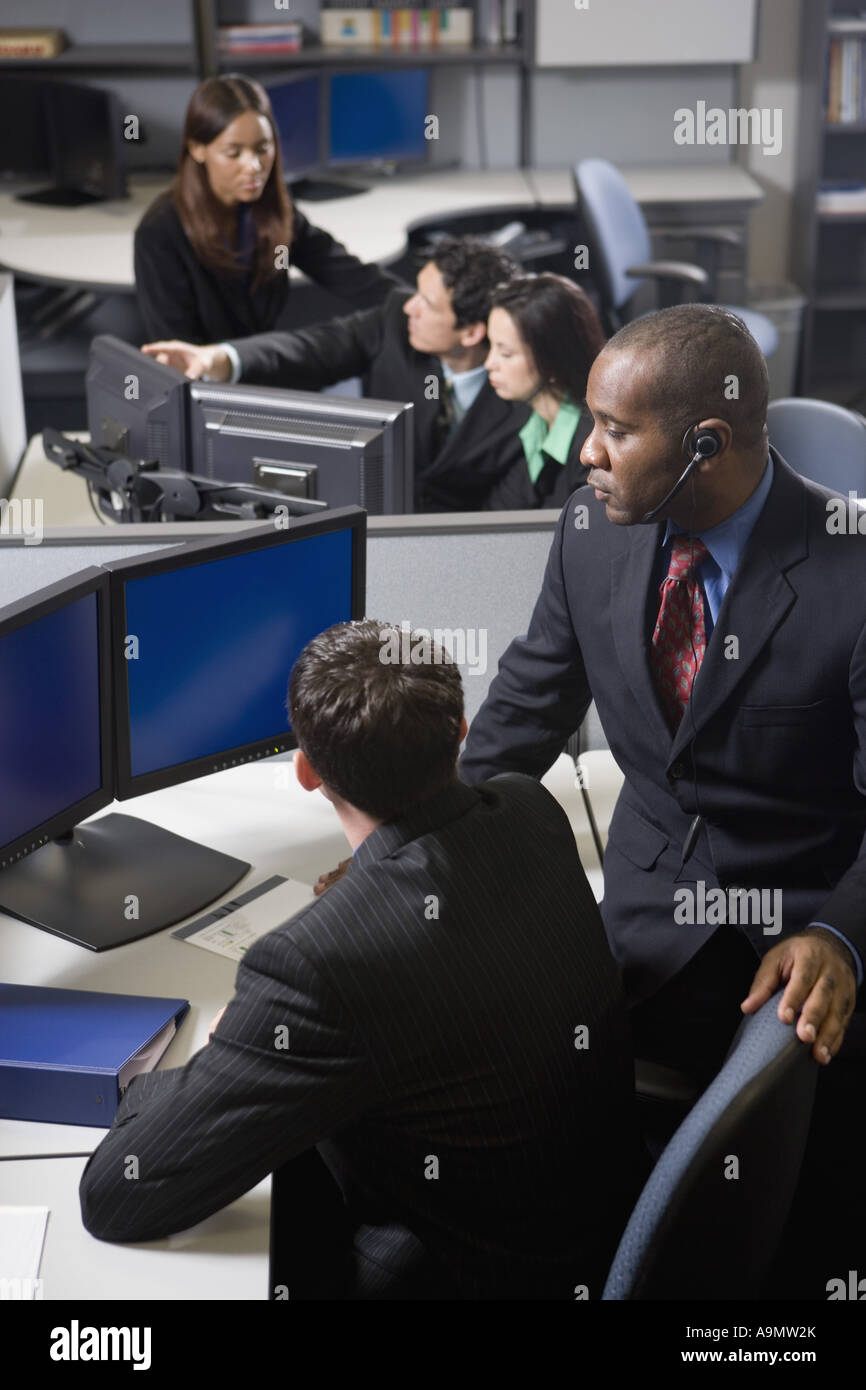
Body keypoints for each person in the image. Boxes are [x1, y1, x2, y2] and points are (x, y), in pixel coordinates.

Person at [460, 302, 866, 1299]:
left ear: (703, 444)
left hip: (797, 928)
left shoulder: (851, 573)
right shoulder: (591, 531)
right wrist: (411, 843)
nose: (584, 452)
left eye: (612, 429)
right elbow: (521, 714)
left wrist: (838, 936)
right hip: (639, 905)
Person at [79, 620, 646, 1300]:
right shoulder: (531, 810)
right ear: (460, 731)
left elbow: (117, 1194)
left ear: (307, 771)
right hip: (591, 1231)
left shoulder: (317, 965)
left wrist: (223, 1053)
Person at [142, 237, 531, 512]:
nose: (409, 307)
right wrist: (217, 359)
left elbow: (510, 509)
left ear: (471, 332)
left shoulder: (525, 391)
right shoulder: (395, 321)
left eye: (427, 304)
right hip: (368, 518)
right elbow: (311, 349)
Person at [134, 75, 398, 345]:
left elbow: (348, 273)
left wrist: (420, 306)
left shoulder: (273, 211)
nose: (254, 166)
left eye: (263, 148)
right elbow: (177, 351)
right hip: (207, 379)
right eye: (233, 153)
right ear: (197, 150)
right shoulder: (160, 232)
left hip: (258, 364)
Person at [483, 273, 606, 510]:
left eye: (505, 354)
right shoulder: (529, 418)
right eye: (491, 346)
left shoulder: (594, 449)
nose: (489, 363)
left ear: (551, 360)